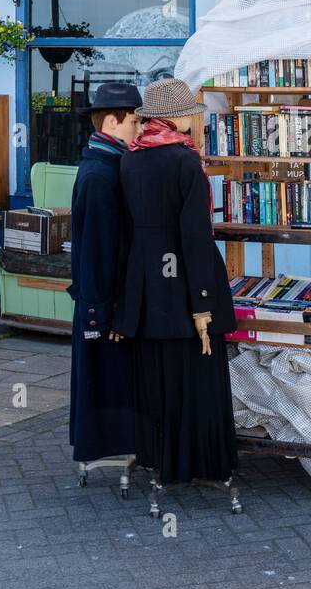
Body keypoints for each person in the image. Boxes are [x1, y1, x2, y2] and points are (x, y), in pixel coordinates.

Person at [113, 78, 238, 490]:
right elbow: (195, 237)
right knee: (196, 378)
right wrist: (203, 303)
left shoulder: (131, 157)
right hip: (185, 285)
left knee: (158, 378)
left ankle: (160, 460)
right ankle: (197, 463)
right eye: (189, 113)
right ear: (176, 116)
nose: (192, 120)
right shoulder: (184, 161)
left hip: (148, 287)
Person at [66, 82, 142, 465]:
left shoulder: (109, 163)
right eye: (133, 121)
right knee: (103, 376)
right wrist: (99, 311)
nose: (139, 129)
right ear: (112, 121)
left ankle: (113, 443)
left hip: (105, 296)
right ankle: (105, 446)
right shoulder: (100, 173)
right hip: (101, 297)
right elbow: (95, 247)